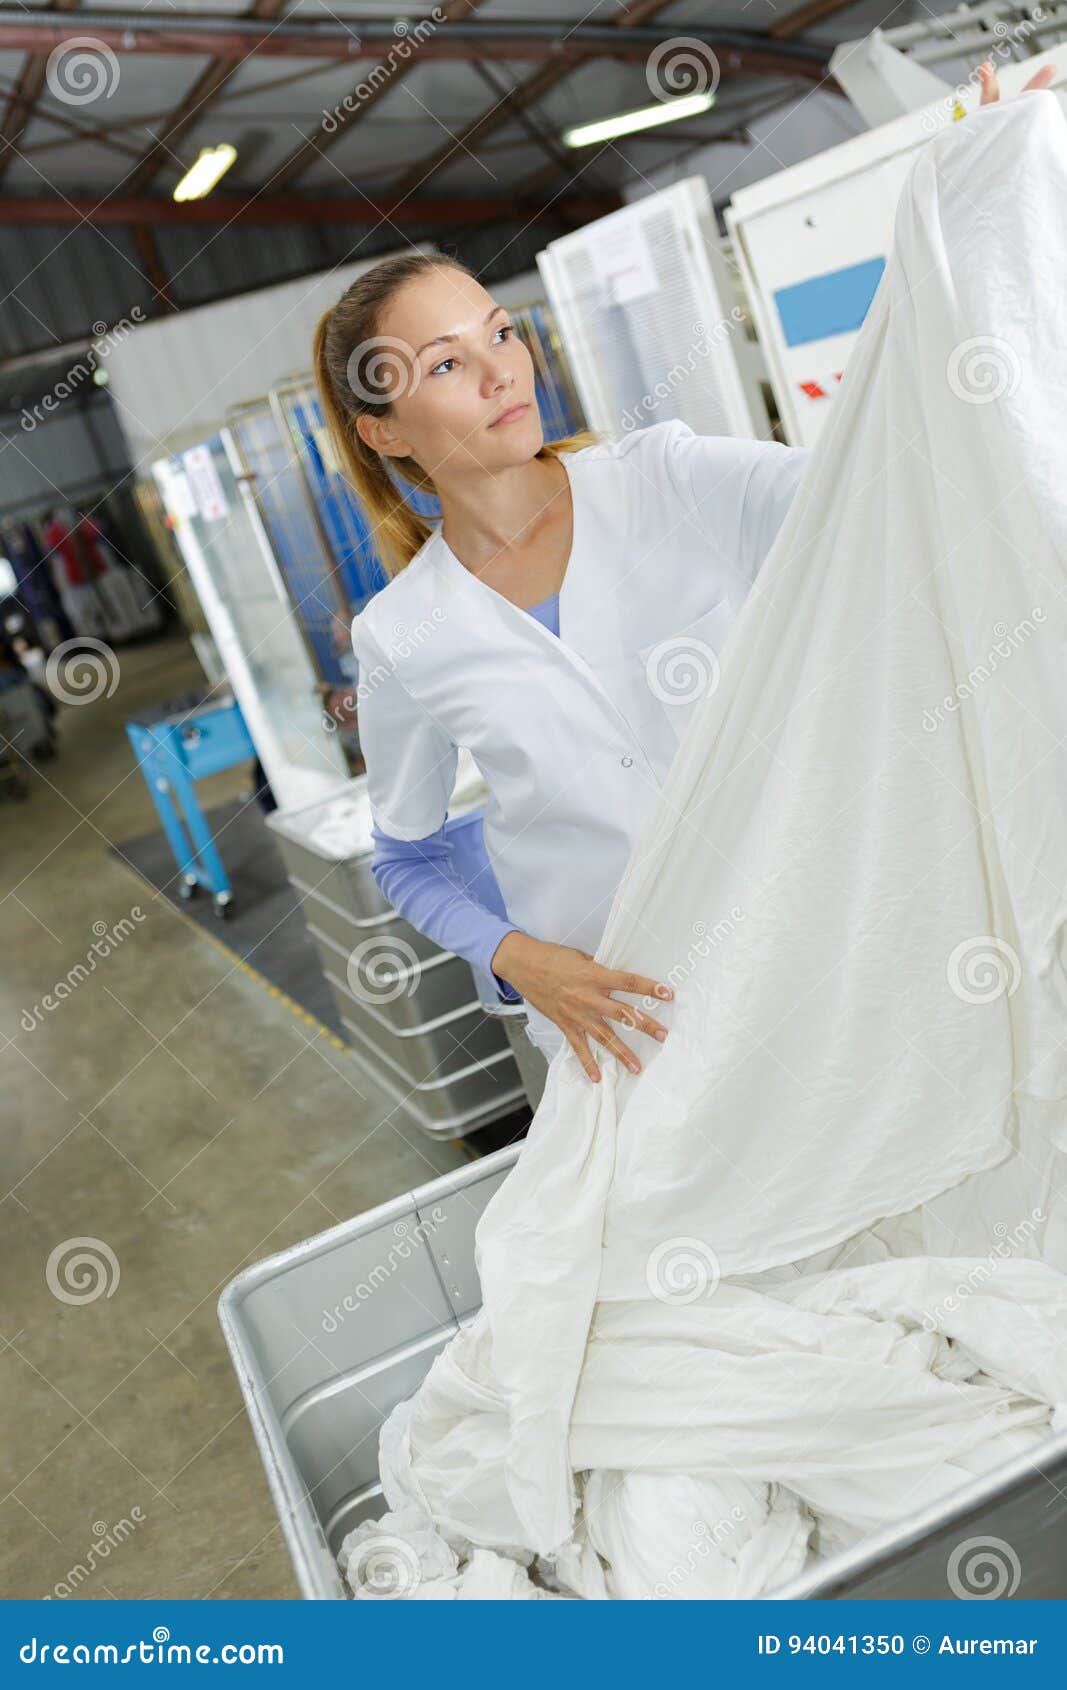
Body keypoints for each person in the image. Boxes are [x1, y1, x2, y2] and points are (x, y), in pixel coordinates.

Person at [312, 254, 814, 1081]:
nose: (500, 372)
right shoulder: (401, 633)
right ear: (387, 432)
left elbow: (867, 478)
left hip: (800, 945)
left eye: (500, 334)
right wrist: (518, 958)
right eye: (445, 363)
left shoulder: (668, 478)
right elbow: (406, 855)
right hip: (627, 1025)